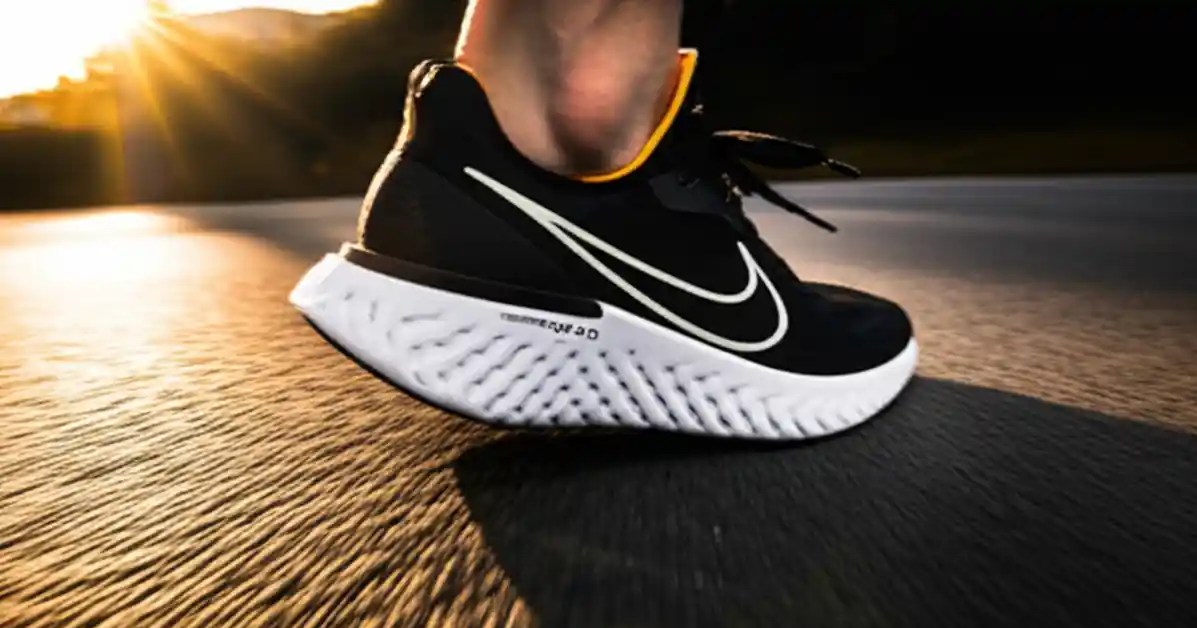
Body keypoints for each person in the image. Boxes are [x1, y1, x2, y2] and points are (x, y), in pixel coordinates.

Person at [290, 0, 917, 440]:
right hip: (567, 166)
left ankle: (501, 142)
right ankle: (582, 132)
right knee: (586, 109)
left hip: (462, 187)